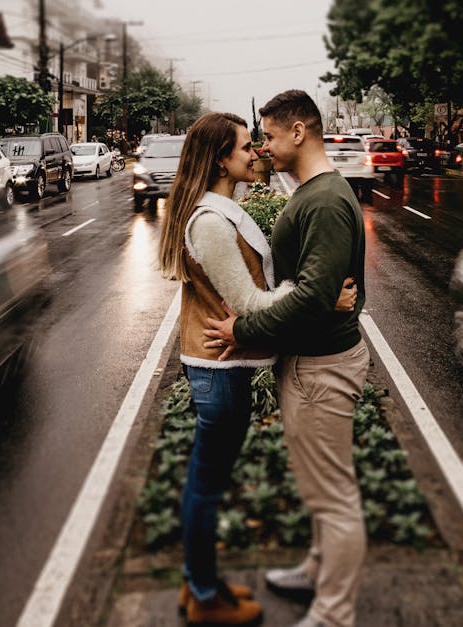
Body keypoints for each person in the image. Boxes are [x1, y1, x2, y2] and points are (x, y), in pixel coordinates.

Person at [157, 111, 357, 625]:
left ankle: (200, 585)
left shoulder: (224, 209)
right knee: (205, 487)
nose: (256, 153)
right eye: (247, 146)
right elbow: (248, 303)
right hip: (218, 373)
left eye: (257, 142)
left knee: (208, 484)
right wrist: (318, 298)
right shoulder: (210, 221)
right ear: (221, 159)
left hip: (226, 369)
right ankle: (203, 595)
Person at [203, 90, 370, 627]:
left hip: (322, 367)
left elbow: (314, 294)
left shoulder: (323, 200)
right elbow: (318, 288)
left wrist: (244, 327)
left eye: (270, 137)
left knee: (333, 498)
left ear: (299, 132)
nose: (264, 148)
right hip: (312, 360)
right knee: (324, 489)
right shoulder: (316, 193)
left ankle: (333, 613)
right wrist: (325, 296)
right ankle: (319, 568)